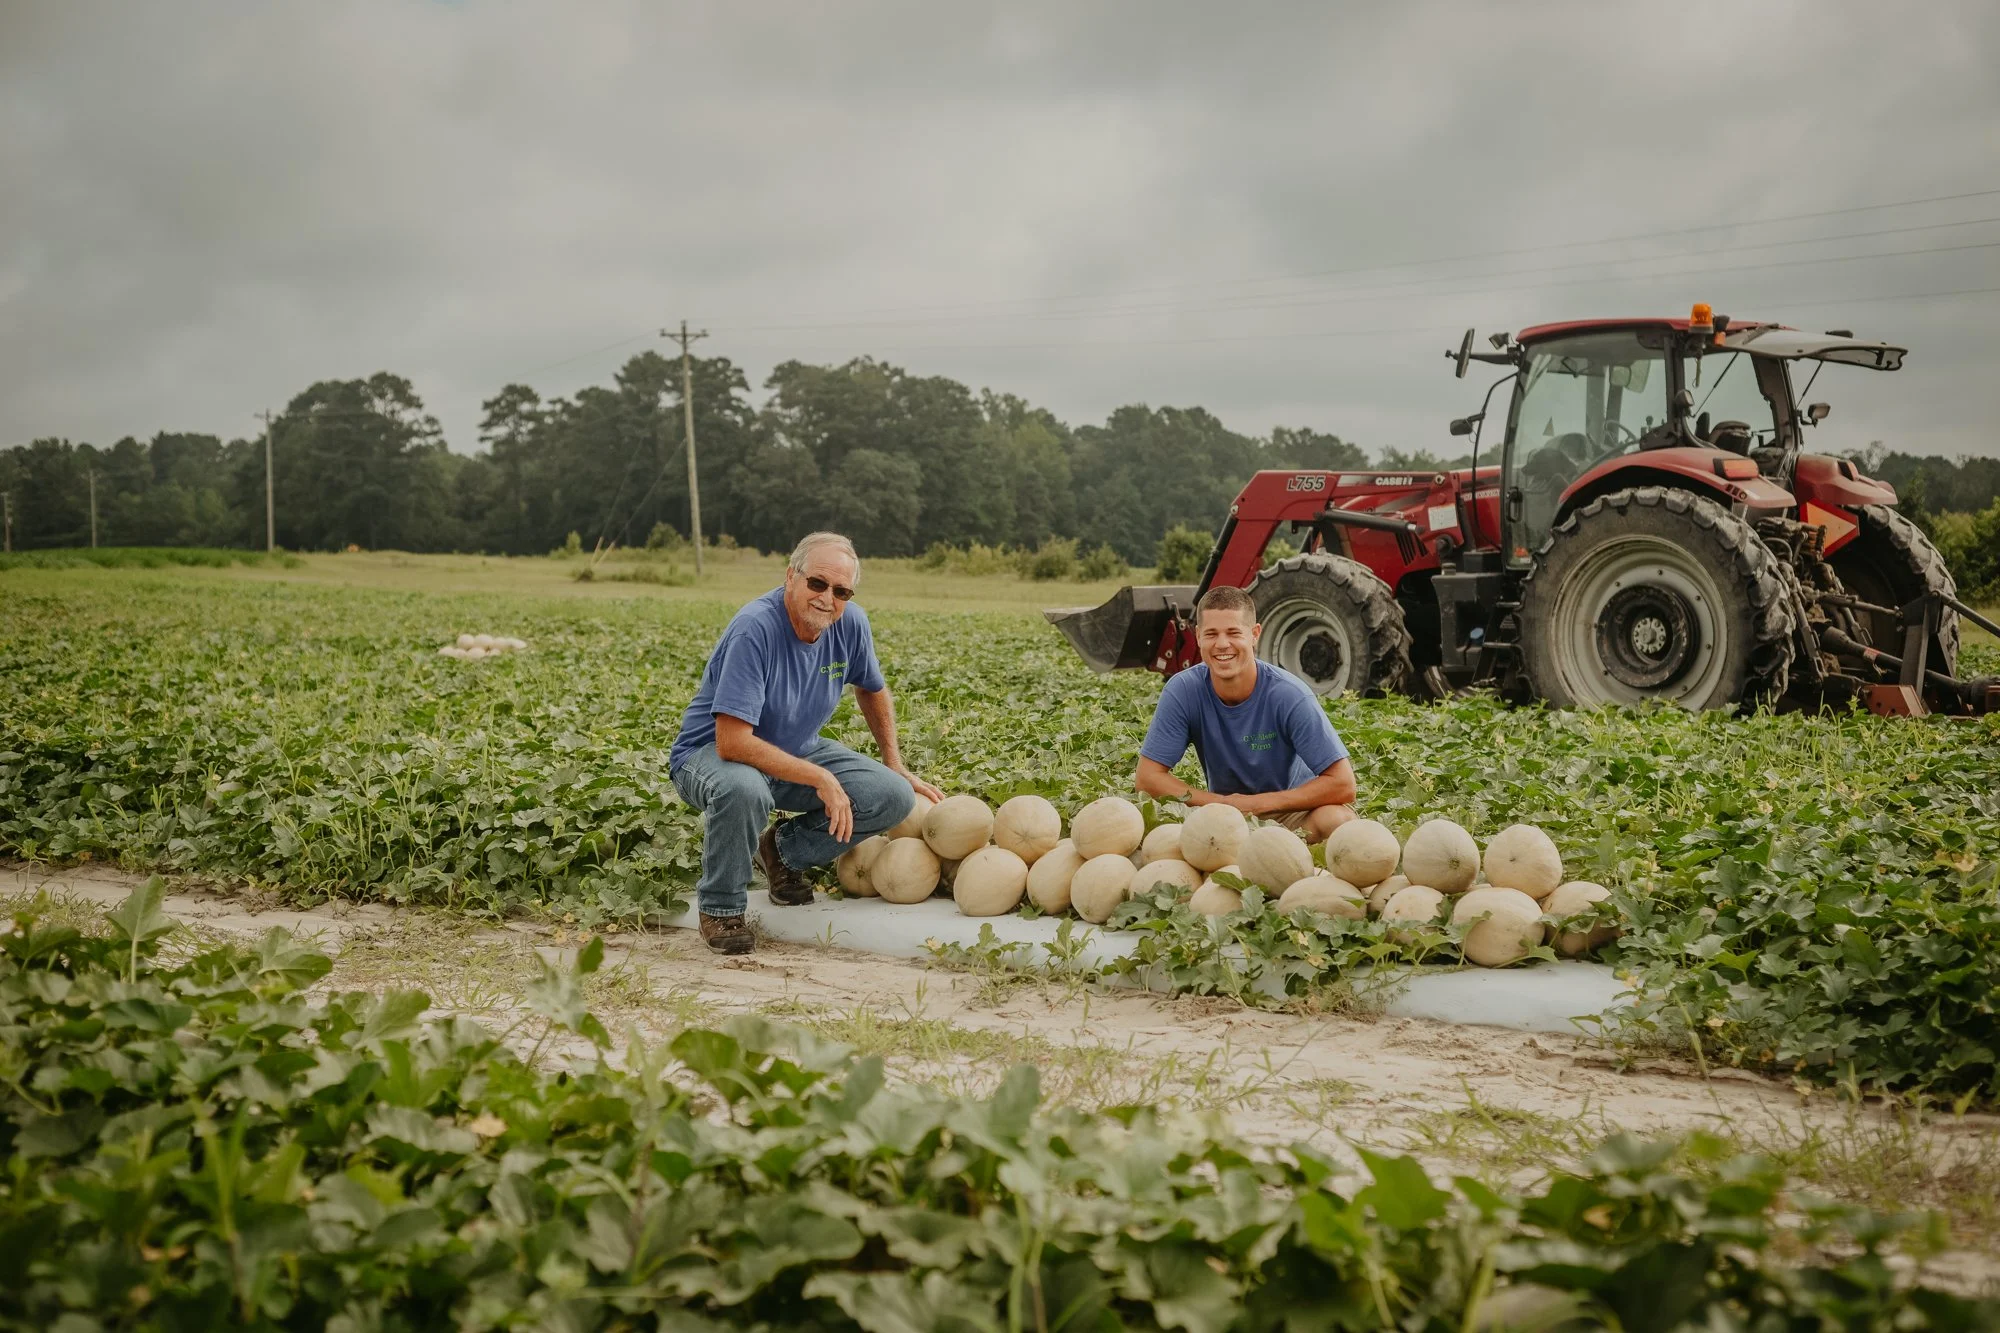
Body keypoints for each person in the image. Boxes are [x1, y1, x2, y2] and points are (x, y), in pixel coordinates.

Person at [670, 531, 942, 954]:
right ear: (791, 577)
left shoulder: (849, 623)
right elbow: (732, 743)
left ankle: (780, 852)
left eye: (840, 590)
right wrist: (818, 777)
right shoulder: (754, 629)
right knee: (744, 788)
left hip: (793, 749)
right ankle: (721, 908)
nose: (827, 598)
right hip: (709, 756)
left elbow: (871, 687)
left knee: (891, 796)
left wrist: (894, 760)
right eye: (817, 583)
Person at [1132, 584, 1356, 841]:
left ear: (1254, 634)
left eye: (1233, 632)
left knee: (1339, 820)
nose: (1222, 644)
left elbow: (1343, 784)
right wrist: (1222, 804)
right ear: (1198, 636)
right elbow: (1148, 778)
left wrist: (1259, 804)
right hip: (1221, 816)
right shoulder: (1183, 690)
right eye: (1212, 634)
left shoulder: (1289, 694)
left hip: (1290, 813)